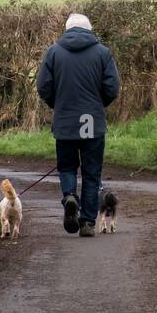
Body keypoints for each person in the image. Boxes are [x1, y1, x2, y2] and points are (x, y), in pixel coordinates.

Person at [36, 12, 120, 237]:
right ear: (89, 29)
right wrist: (97, 105)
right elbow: (112, 88)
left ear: (67, 29)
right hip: (92, 121)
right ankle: (87, 223)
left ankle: (70, 197)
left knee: (67, 167)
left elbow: (43, 86)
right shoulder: (103, 53)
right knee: (92, 174)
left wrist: (58, 104)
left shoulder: (53, 53)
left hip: (65, 121)